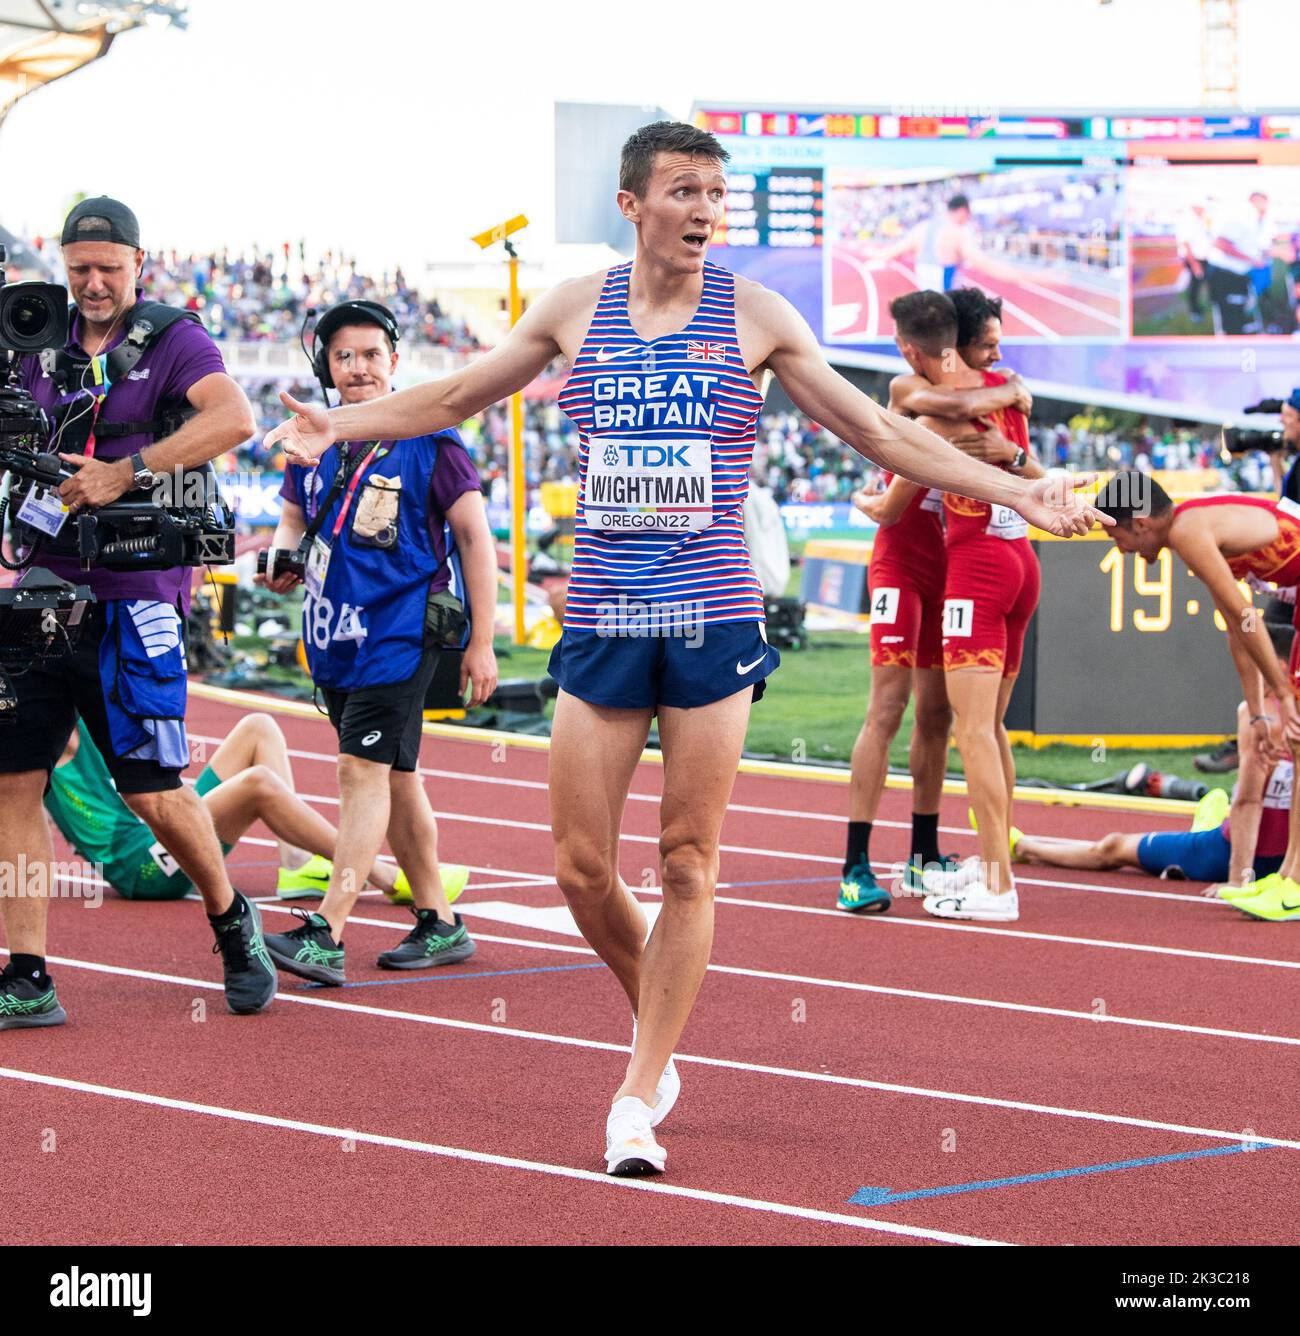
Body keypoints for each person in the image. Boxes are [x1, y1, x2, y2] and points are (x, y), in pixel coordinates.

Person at [263, 121, 1108, 1176]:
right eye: (684, 190)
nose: (706, 210)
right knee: (579, 868)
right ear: (632, 204)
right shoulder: (574, 308)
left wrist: (1022, 488)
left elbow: (880, 433)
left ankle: (637, 1090)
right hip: (606, 618)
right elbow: (451, 396)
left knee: (685, 861)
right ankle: (656, 1007)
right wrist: (339, 426)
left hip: (712, 618)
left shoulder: (756, 314)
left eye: (716, 192)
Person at [0, 197, 274, 1029]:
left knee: (151, 789)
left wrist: (125, 472)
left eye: (108, 269)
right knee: (13, 782)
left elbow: (234, 416)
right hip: (38, 587)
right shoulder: (30, 332)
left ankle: (229, 917)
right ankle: (28, 973)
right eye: (79, 268)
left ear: (138, 266)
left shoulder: (173, 339)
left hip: (133, 591)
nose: (92, 284)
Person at [260, 300, 496, 982]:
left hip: (401, 631)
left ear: (394, 362)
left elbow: (475, 537)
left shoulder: (432, 439)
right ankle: (440, 921)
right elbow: (293, 516)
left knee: (358, 771)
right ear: (326, 367)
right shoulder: (312, 436)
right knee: (397, 777)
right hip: (334, 636)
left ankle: (327, 932)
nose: (358, 368)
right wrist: (281, 555)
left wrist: (482, 640)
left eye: (370, 355)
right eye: (344, 356)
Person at [839, 290, 1031, 912]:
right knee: (887, 709)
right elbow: (947, 408)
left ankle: (924, 855)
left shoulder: (979, 388)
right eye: (987, 347)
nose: (994, 358)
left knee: (938, 716)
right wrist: (1009, 391)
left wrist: (1002, 395)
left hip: (955, 568)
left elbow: (970, 406)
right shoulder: (909, 389)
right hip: (901, 565)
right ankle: (855, 866)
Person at [1094, 471, 1300, 922]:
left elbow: (1246, 617)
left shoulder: (1188, 531)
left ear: (1141, 523)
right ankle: (1289, 878)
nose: (1121, 550)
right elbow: (1234, 626)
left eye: (1116, 537)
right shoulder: (1191, 529)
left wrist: (1283, 692)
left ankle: (1295, 884)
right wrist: (1260, 712)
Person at [44, 713, 468, 907]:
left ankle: (297, 865)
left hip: (156, 830)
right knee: (258, 785)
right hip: (144, 868)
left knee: (258, 727)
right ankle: (383, 875)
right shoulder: (50, 729)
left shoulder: (80, 704)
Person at [1005, 697, 1289, 906]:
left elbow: (1249, 802)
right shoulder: (1257, 713)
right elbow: (1247, 801)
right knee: (1112, 847)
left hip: (1276, 859)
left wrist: (1240, 879)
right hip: (1226, 848)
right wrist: (1240, 877)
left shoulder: (1268, 713)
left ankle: (1204, 825)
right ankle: (1024, 846)